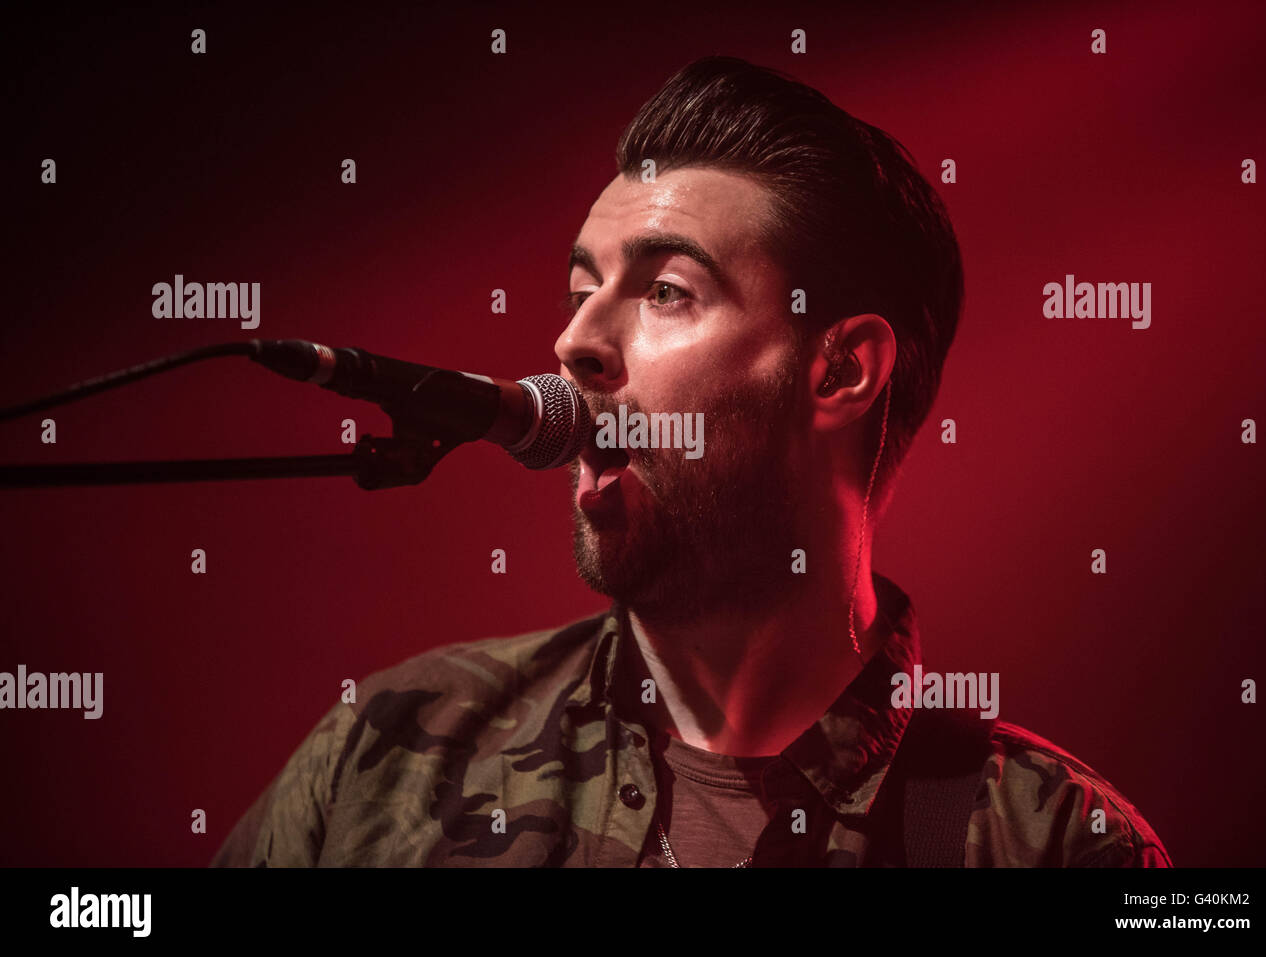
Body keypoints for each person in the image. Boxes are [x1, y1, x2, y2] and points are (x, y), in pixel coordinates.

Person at [212, 55, 1170, 867]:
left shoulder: (1042, 840)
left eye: (667, 290)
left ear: (840, 368)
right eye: (581, 289)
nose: (574, 341)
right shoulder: (388, 751)